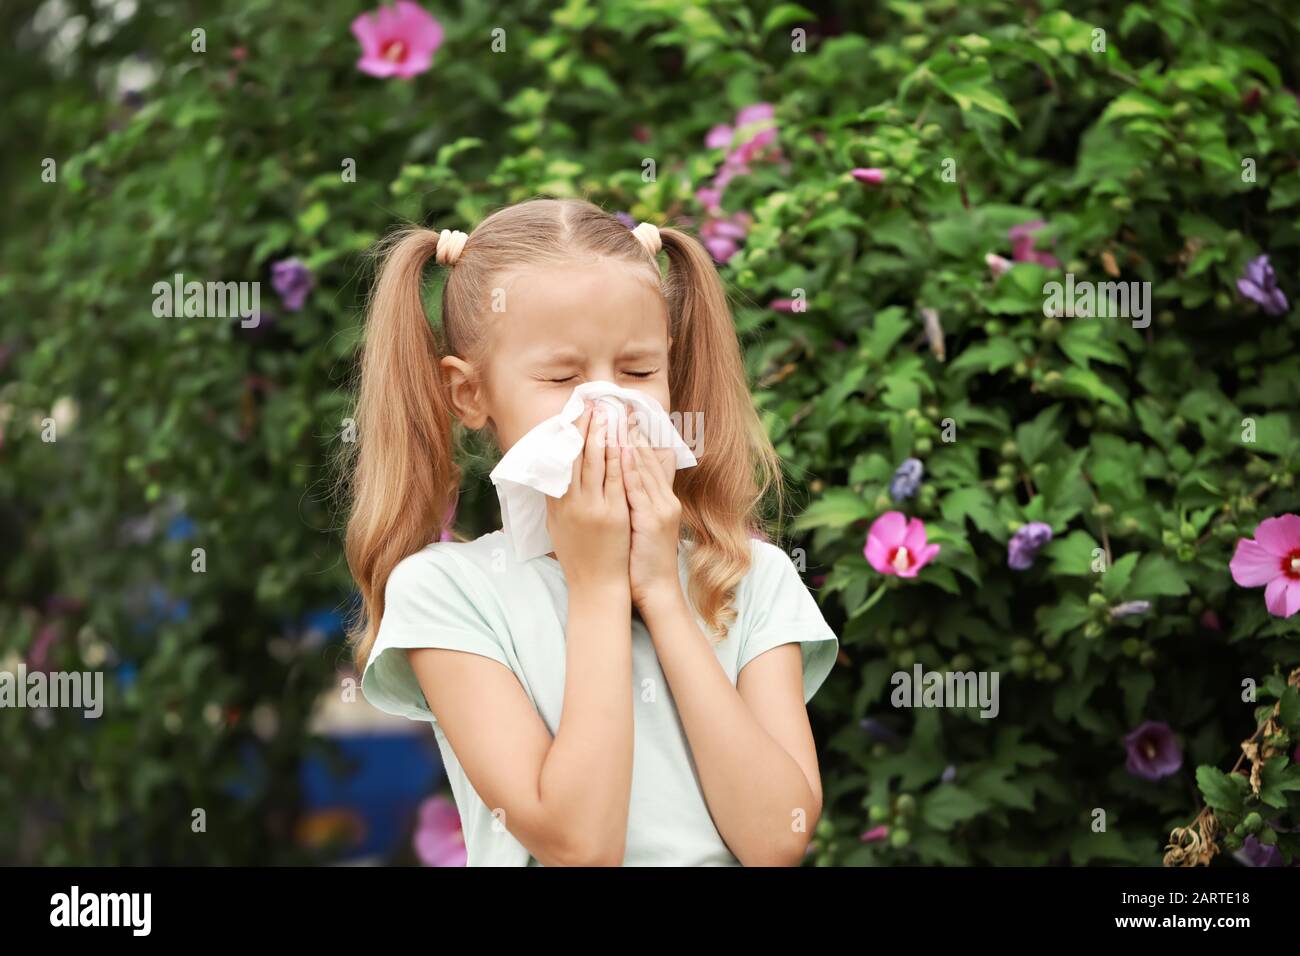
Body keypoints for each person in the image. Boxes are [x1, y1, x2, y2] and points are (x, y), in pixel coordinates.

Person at [346, 197, 838, 866]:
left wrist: (663, 592)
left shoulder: (749, 576)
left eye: (638, 372)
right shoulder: (447, 592)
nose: (607, 404)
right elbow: (580, 846)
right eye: (561, 376)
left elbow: (776, 837)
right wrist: (599, 586)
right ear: (470, 394)